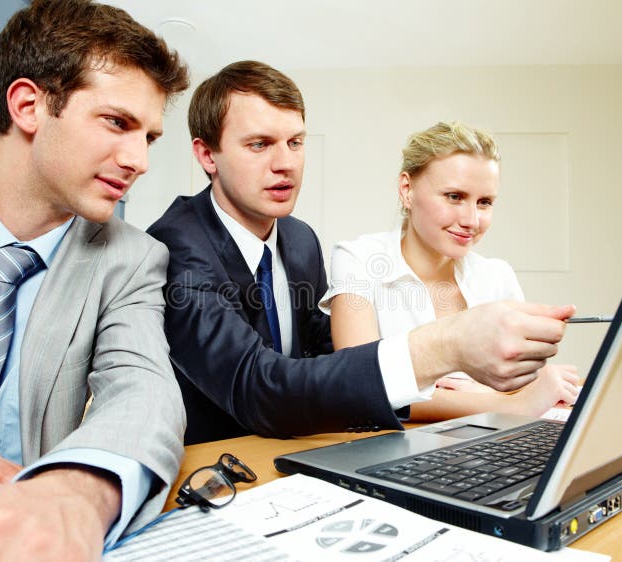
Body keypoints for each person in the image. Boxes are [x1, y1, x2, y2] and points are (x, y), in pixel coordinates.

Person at [148, 60, 574, 445]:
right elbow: (258, 387)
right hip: (216, 463)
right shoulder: (176, 244)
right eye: (259, 144)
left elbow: (329, 355)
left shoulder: (299, 240)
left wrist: (448, 393)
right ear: (207, 155)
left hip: (307, 446)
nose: (286, 164)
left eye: (295, 142)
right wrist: (444, 349)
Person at [0, 1, 189, 559]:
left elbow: (145, 391)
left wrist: (71, 495)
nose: (138, 160)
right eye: (117, 122)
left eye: (150, 138)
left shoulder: (131, 258)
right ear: (28, 106)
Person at [320, 122, 580, 422]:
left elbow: (524, 382)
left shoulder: (497, 276)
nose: (471, 220)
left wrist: (483, 395)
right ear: (407, 190)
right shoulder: (358, 259)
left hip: (485, 445)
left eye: (484, 202)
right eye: (454, 196)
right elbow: (361, 387)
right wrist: (506, 403)